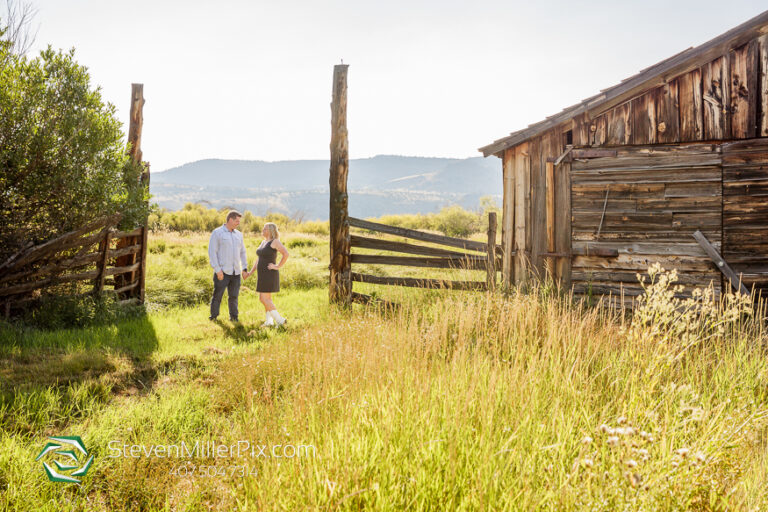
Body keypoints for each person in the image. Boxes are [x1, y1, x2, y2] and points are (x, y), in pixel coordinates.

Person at [208, 210, 249, 322]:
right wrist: (217, 270)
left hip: (236, 272)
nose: (238, 223)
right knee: (217, 296)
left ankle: (234, 317)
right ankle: (214, 317)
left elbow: (243, 252)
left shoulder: (239, 235)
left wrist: (244, 268)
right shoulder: (217, 233)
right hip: (222, 272)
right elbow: (212, 252)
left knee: (234, 297)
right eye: (236, 221)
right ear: (230, 220)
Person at [247, 222, 289, 326]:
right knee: (267, 299)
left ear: (270, 230)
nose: (262, 230)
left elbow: (286, 254)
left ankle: (280, 320)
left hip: (269, 274)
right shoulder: (263, 242)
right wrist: (251, 272)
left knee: (263, 298)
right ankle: (269, 321)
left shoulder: (275, 242)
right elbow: (258, 259)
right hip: (262, 274)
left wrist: (277, 266)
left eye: (265, 229)